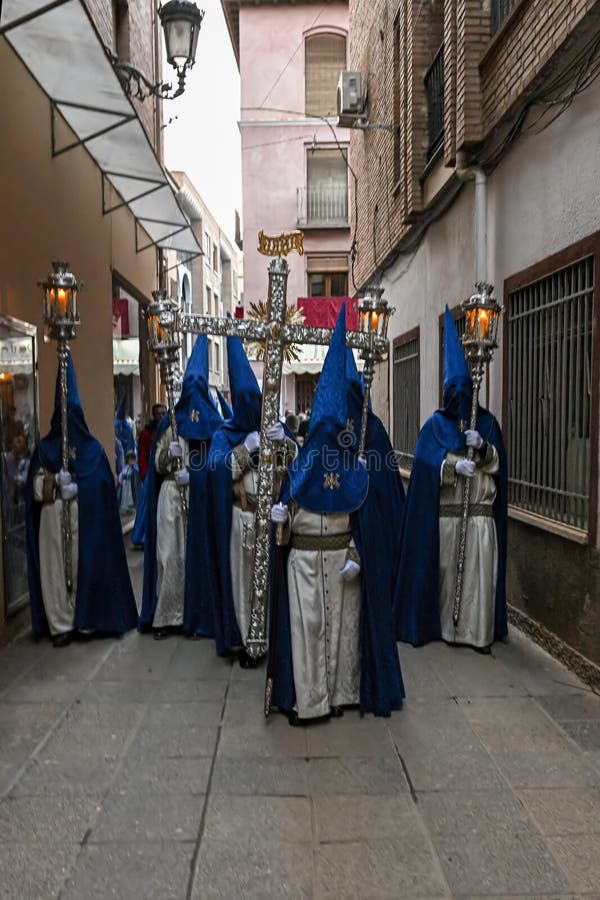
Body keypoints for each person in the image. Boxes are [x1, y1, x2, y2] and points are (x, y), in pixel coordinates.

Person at [270, 309, 405, 724]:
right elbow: (283, 525)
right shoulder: (300, 466)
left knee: (344, 638)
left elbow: (366, 521)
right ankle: (309, 702)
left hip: (343, 563)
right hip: (305, 565)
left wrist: (358, 555)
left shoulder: (357, 460)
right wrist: (279, 519)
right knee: (307, 635)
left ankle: (341, 696)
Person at [395, 307, 508, 652]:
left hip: (479, 519)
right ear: (446, 390)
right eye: (453, 388)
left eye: (465, 388)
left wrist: (483, 447)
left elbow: (499, 466)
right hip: (446, 518)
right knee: (446, 577)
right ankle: (446, 628)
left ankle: (477, 634)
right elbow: (423, 465)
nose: (459, 394)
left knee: (478, 578)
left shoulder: (487, 423)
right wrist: (450, 465)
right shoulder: (434, 426)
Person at [26, 353, 137, 647]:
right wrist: (53, 484)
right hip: (52, 523)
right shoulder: (45, 449)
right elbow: (33, 487)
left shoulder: (93, 451)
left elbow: (103, 487)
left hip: (84, 523)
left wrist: (79, 489)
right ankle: (60, 624)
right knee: (54, 571)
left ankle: (87, 619)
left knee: (85, 568)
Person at [203, 336, 295, 666]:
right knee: (242, 583)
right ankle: (245, 640)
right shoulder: (223, 434)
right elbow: (215, 470)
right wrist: (245, 449)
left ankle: (268, 638)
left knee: (267, 581)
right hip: (241, 518)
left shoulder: (273, 428)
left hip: (269, 519)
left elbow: (299, 464)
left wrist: (286, 443)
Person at [140, 336, 221, 638]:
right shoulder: (169, 424)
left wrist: (195, 476)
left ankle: (195, 616)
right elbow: (156, 465)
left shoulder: (213, 425)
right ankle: (167, 617)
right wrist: (166, 457)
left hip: (198, 500)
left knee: (196, 557)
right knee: (169, 555)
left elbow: (218, 466)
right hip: (170, 495)